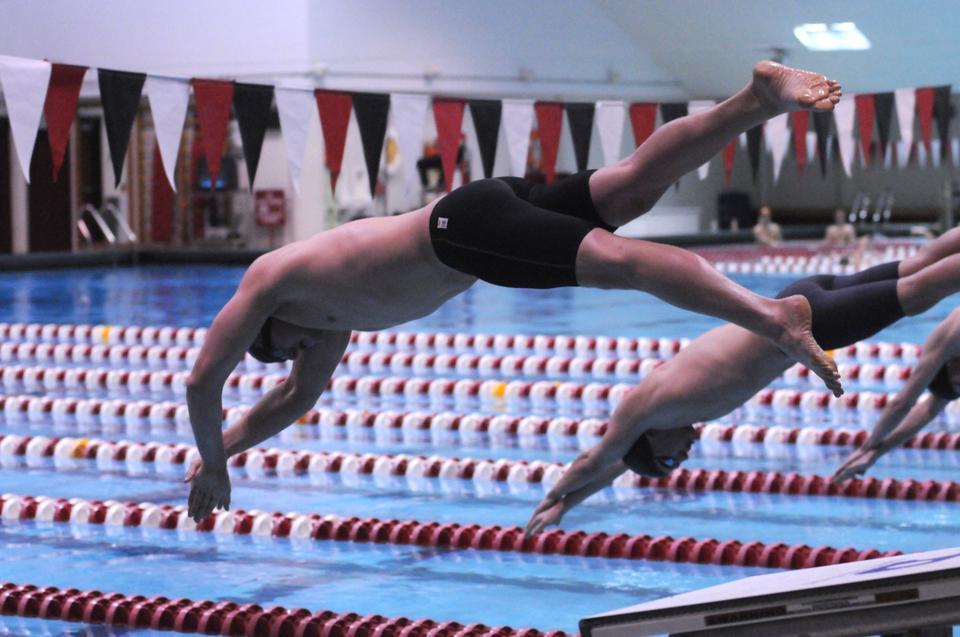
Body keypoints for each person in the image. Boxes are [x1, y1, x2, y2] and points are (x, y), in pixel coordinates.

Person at [184, 61, 844, 522]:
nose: (303, 352)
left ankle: (772, 316)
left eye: (288, 347)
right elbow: (292, 399)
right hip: (482, 215)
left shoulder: (270, 280)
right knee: (633, 185)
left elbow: (203, 380)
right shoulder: (326, 324)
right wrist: (228, 452)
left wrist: (213, 465)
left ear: (272, 331)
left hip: (462, 231)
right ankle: (755, 99)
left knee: (621, 262)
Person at [525, 227, 960, 538]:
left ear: (652, 442)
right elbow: (615, 465)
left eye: (671, 460)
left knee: (922, 288)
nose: (684, 456)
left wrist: (552, 500)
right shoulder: (663, 413)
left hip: (808, 325)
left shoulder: (647, 408)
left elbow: (595, 458)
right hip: (798, 297)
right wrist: (569, 506)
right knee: (919, 267)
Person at [831, 307, 960, 483]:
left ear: (950, 365)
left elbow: (902, 403)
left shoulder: (948, 338)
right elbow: (929, 410)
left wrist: (866, 447)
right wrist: (875, 453)